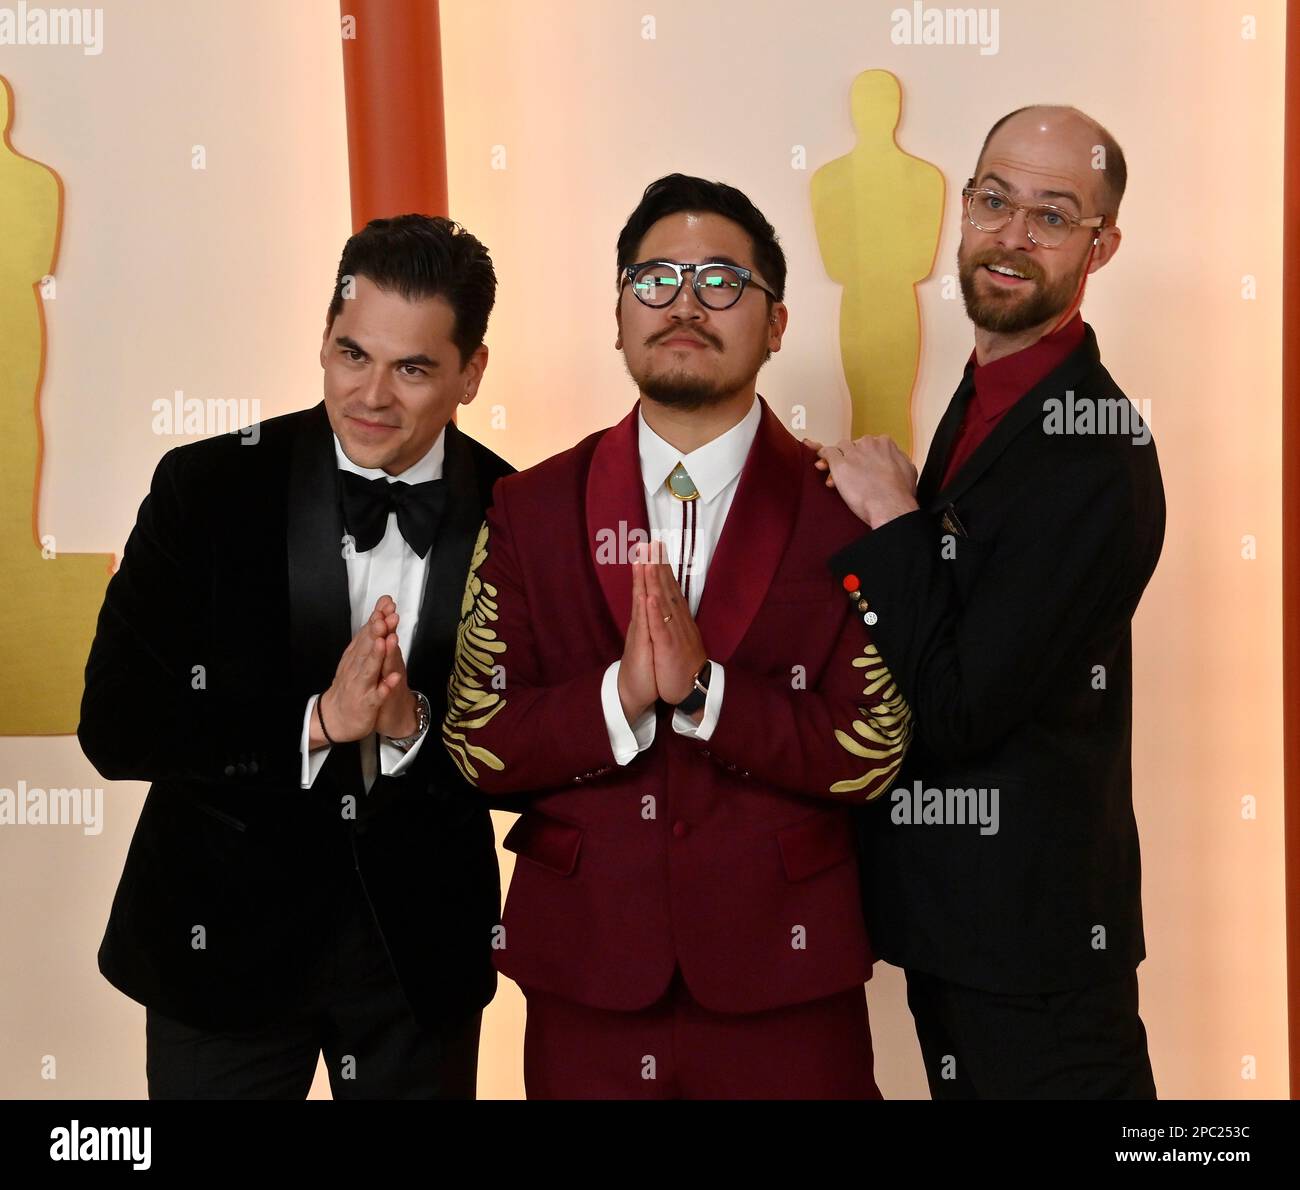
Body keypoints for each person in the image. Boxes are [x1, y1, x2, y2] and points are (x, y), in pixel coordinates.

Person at [442, 174, 913, 1099]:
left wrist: (710, 694)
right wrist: (619, 697)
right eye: (654, 278)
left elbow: (874, 749)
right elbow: (476, 740)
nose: (686, 302)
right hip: (587, 978)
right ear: (618, 314)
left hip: (790, 975)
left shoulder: (852, 508)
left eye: (722, 281)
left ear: (776, 324)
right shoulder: (527, 506)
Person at [78, 214, 513, 1099]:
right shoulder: (204, 488)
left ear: (471, 373)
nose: (372, 396)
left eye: (414, 368)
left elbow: (537, 748)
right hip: (221, 948)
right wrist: (317, 723)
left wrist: (414, 728)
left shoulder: (526, 513)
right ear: (324, 338)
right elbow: (116, 726)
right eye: (353, 355)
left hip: (417, 961)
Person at [812, 106, 1164, 1099]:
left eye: (1050, 215)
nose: (1010, 235)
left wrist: (893, 523)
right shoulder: (989, 390)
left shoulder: (1096, 451)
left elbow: (961, 704)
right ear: (961, 209)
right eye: (994, 200)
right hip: (963, 930)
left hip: (1035, 954)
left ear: (1101, 246)